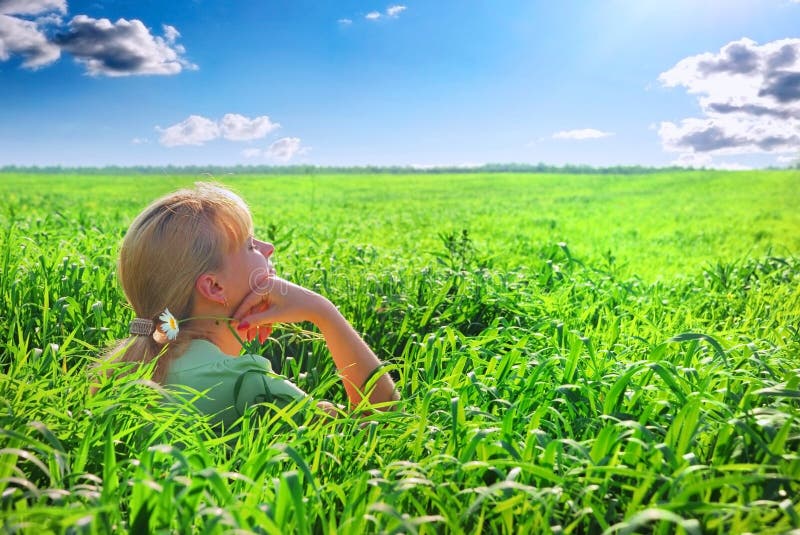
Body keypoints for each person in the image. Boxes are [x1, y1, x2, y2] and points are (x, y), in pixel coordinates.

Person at [101, 182, 398, 428]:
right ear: (214, 287)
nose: (269, 249)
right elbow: (382, 422)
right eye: (251, 246)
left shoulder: (123, 369)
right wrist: (323, 311)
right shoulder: (247, 383)